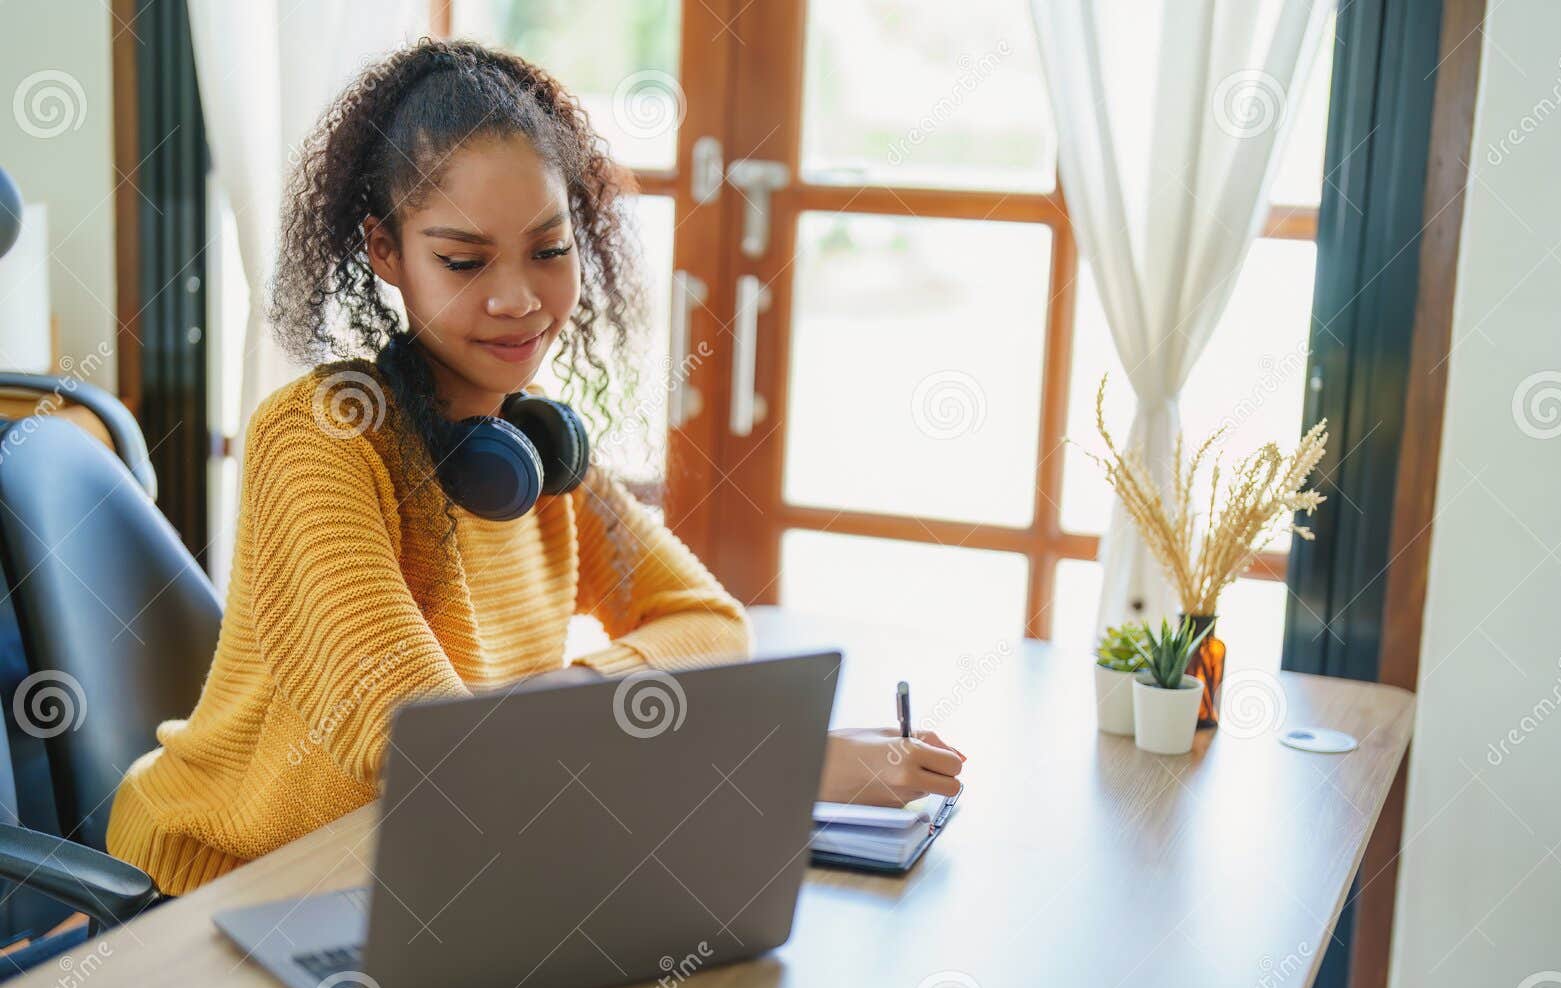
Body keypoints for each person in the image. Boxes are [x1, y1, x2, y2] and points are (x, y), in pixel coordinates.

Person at [104, 39, 963, 897]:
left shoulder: (535, 448)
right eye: (465, 261)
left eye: (548, 250)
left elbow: (707, 621)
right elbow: (438, 755)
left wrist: (556, 703)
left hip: (426, 872)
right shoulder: (321, 440)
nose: (518, 298)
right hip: (228, 885)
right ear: (385, 251)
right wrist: (781, 764)